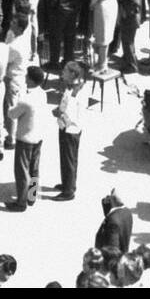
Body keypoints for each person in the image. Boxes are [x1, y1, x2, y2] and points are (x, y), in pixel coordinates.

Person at [6, 64, 47, 212]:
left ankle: (21, 202)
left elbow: (12, 114)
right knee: (34, 169)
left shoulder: (25, 100)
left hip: (25, 139)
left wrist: (15, 97)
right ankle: (32, 196)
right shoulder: (43, 94)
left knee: (22, 171)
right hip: (38, 137)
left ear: (30, 80)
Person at [54, 60, 86, 200]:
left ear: (72, 73)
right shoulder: (71, 87)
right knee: (66, 158)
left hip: (70, 129)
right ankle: (67, 182)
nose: (62, 73)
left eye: (65, 71)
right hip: (64, 127)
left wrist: (59, 114)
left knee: (69, 160)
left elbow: (72, 115)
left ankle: (68, 191)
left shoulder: (75, 91)